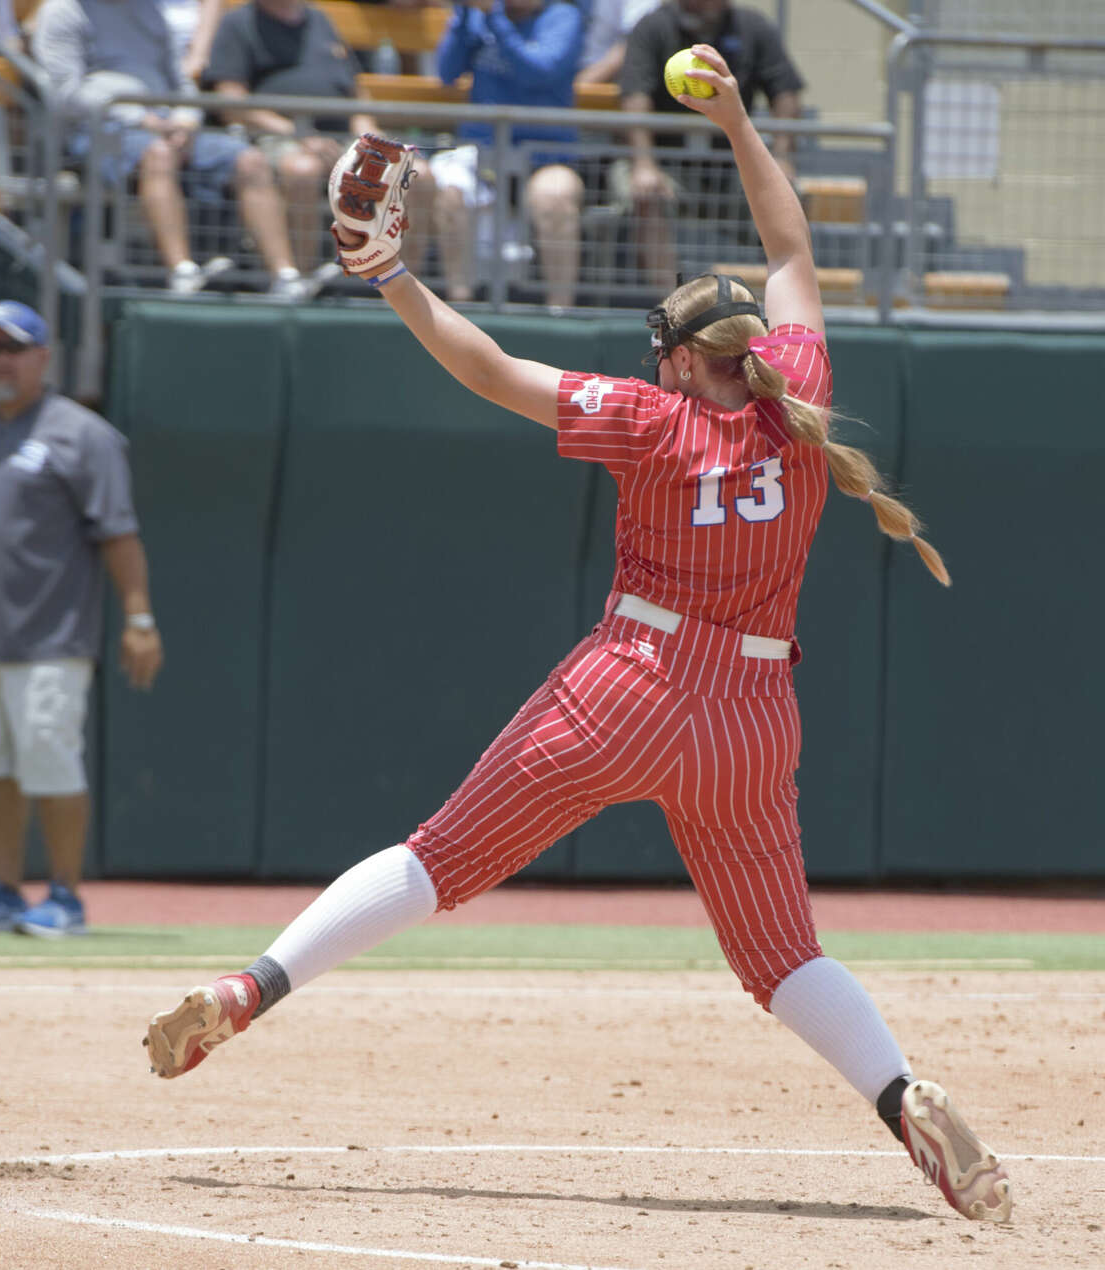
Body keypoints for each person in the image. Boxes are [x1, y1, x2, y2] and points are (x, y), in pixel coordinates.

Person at [144, 46, 1012, 1227]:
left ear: (678, 359)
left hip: (633, 683)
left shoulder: (654, 420)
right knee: (781, 959)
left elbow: (488, 367)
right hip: (752, 717)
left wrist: (388, 272)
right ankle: (900, 1092)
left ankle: (253, 987)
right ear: (751, 355)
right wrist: (743, 121)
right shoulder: (795, 407)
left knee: (437, 857)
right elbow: (795, 248)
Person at [0, 301, 163, 937]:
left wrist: (138, 616)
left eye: (13, 347)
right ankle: (2, 892)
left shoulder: (82, 435)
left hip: (51, 639)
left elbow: (118, 532)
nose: (0, 358)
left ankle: (65, 896)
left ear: (43, 357)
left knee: (51, 765)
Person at [33, 0, 311, 297]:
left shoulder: (148, 9)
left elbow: (179, 79)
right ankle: (183, 273)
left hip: (166, 123)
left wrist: (187, 118)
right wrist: (140, 117)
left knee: (250, 159)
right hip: (100, 129)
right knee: (160, 154)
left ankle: (285, 276)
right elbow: (64, 94)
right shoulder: (61, 10)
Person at [201, 0, 435, 281]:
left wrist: (369, 132)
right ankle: (301, 279)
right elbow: (230, 101)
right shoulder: (238, 23)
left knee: (417, 173)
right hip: (277, 135)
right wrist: (297, 132)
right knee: (302, 170)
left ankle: (403, 284)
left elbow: (355, 90)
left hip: (339, 136)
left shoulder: (320, 20)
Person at [620, 0, 804, 290]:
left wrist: (782, 157)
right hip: (668, 163)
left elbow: (785, 91)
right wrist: (644, 163)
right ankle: (672, 312)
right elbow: (634, 96)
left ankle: (775, 308)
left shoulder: (752, 25)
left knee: (786, 195)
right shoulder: (653, 26)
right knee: (647, 195)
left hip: (733, 163)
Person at [432, 0, 585, 307]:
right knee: (450, 192)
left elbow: (539, 70)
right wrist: (462, 16)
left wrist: (496, 20)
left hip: (544, 156)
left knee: (555, 196)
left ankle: (561, 311)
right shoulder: (478, 16)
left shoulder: (563, 17)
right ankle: (461, 307)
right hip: (482, 153)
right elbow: (447, 72)